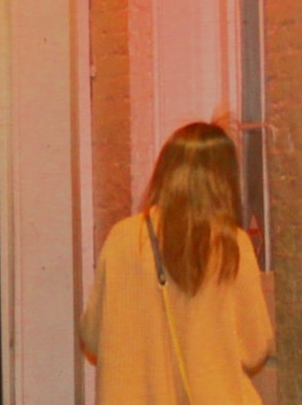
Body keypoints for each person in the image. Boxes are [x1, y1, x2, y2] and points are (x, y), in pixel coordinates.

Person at [80, 121, 273, 402]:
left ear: (165, 171)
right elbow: (254, 347)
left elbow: (92, 336)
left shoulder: (123, 237)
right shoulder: (232, 245)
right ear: (224, 179)